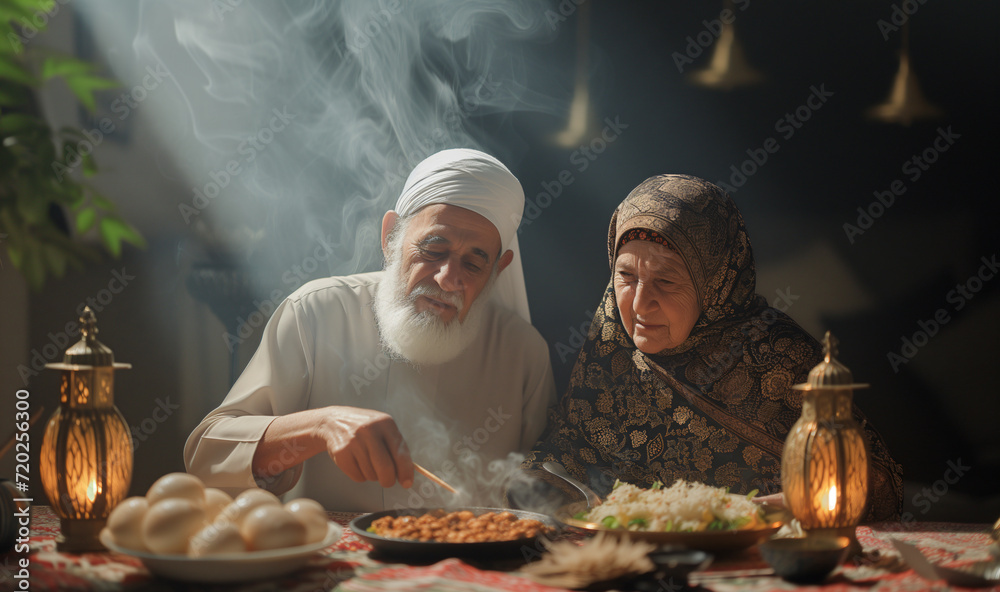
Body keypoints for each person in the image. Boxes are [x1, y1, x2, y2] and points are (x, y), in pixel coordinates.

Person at [185, 149, 557, 512]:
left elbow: (546, 494)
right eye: (433, 250)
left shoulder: (522, 352)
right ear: (391, 236)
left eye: (474, 264)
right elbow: (206, 455)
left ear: (498, 269)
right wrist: (321, 425)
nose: (448, 279)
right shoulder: (316, 311)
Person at [519, 174, 903, 521]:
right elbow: (564, 452)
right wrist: (542, 488)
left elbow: (873, 485)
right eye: (626, 276)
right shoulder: (610, 347)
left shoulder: (778, 355)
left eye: (666, 281)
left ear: (715, 283)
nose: (639, 305)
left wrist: (746, 512)